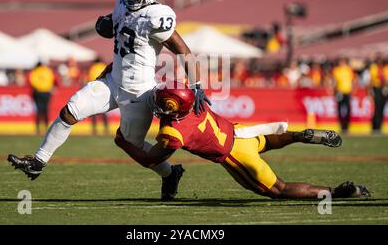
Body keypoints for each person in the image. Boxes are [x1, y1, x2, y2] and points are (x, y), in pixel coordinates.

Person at [7, 0, 210, 201]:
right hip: (112, 81)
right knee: (70, 111)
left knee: (130, 144)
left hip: (139, 93)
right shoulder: (121, 4)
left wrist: (196, 84)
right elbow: (117, 31)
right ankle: (38, 160)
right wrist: (105, 23)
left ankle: (170, 173)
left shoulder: (157, 17)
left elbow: (184, 51)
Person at [115, 81, 371, 200]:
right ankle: (297, 135)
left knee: (278, 190)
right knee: (268, 142)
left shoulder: (174, 133)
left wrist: (124, 142)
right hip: (242, 133)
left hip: (235, 155)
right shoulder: (193, 99)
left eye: (163, 103)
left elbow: (151, 158)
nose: (158, 104)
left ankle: (338, 192)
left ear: (174, 108)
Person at [29, 62, 55, 135]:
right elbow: (52, 80)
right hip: (46, 92)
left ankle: (38, 130)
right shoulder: (48, 71)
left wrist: (39, 87)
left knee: (38, 111)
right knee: (46, 111)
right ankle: (47, 129)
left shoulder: (35, 71)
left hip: (38, 92)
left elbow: (32, 81)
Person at [331, 58, 355, 134]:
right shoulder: (336, 70)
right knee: (339, 109)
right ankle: (342, 126)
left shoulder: (349, 70)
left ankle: (346, 126)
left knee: (348, 109)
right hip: (339, 92)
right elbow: (334, 81)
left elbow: (353, 80)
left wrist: (353, 90)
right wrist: (334, 91)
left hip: (347, 92)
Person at [87, 57, 109, 135]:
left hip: (94, 91)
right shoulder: (104, 66)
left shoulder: (92, 68)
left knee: (94, 111)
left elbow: (89, 80)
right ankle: (106, 129)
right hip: (104, 91)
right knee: (104, 111)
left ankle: (94, 130)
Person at [369, 55, 386, 134]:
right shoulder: (374, 68)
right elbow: (372, 80)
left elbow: (384, 79)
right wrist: (371, 90)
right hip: (376, 88)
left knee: (381, 108)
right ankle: (375, 127)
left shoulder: (383, 68)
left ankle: (379, 126)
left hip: (382, 89)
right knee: (377, 108)